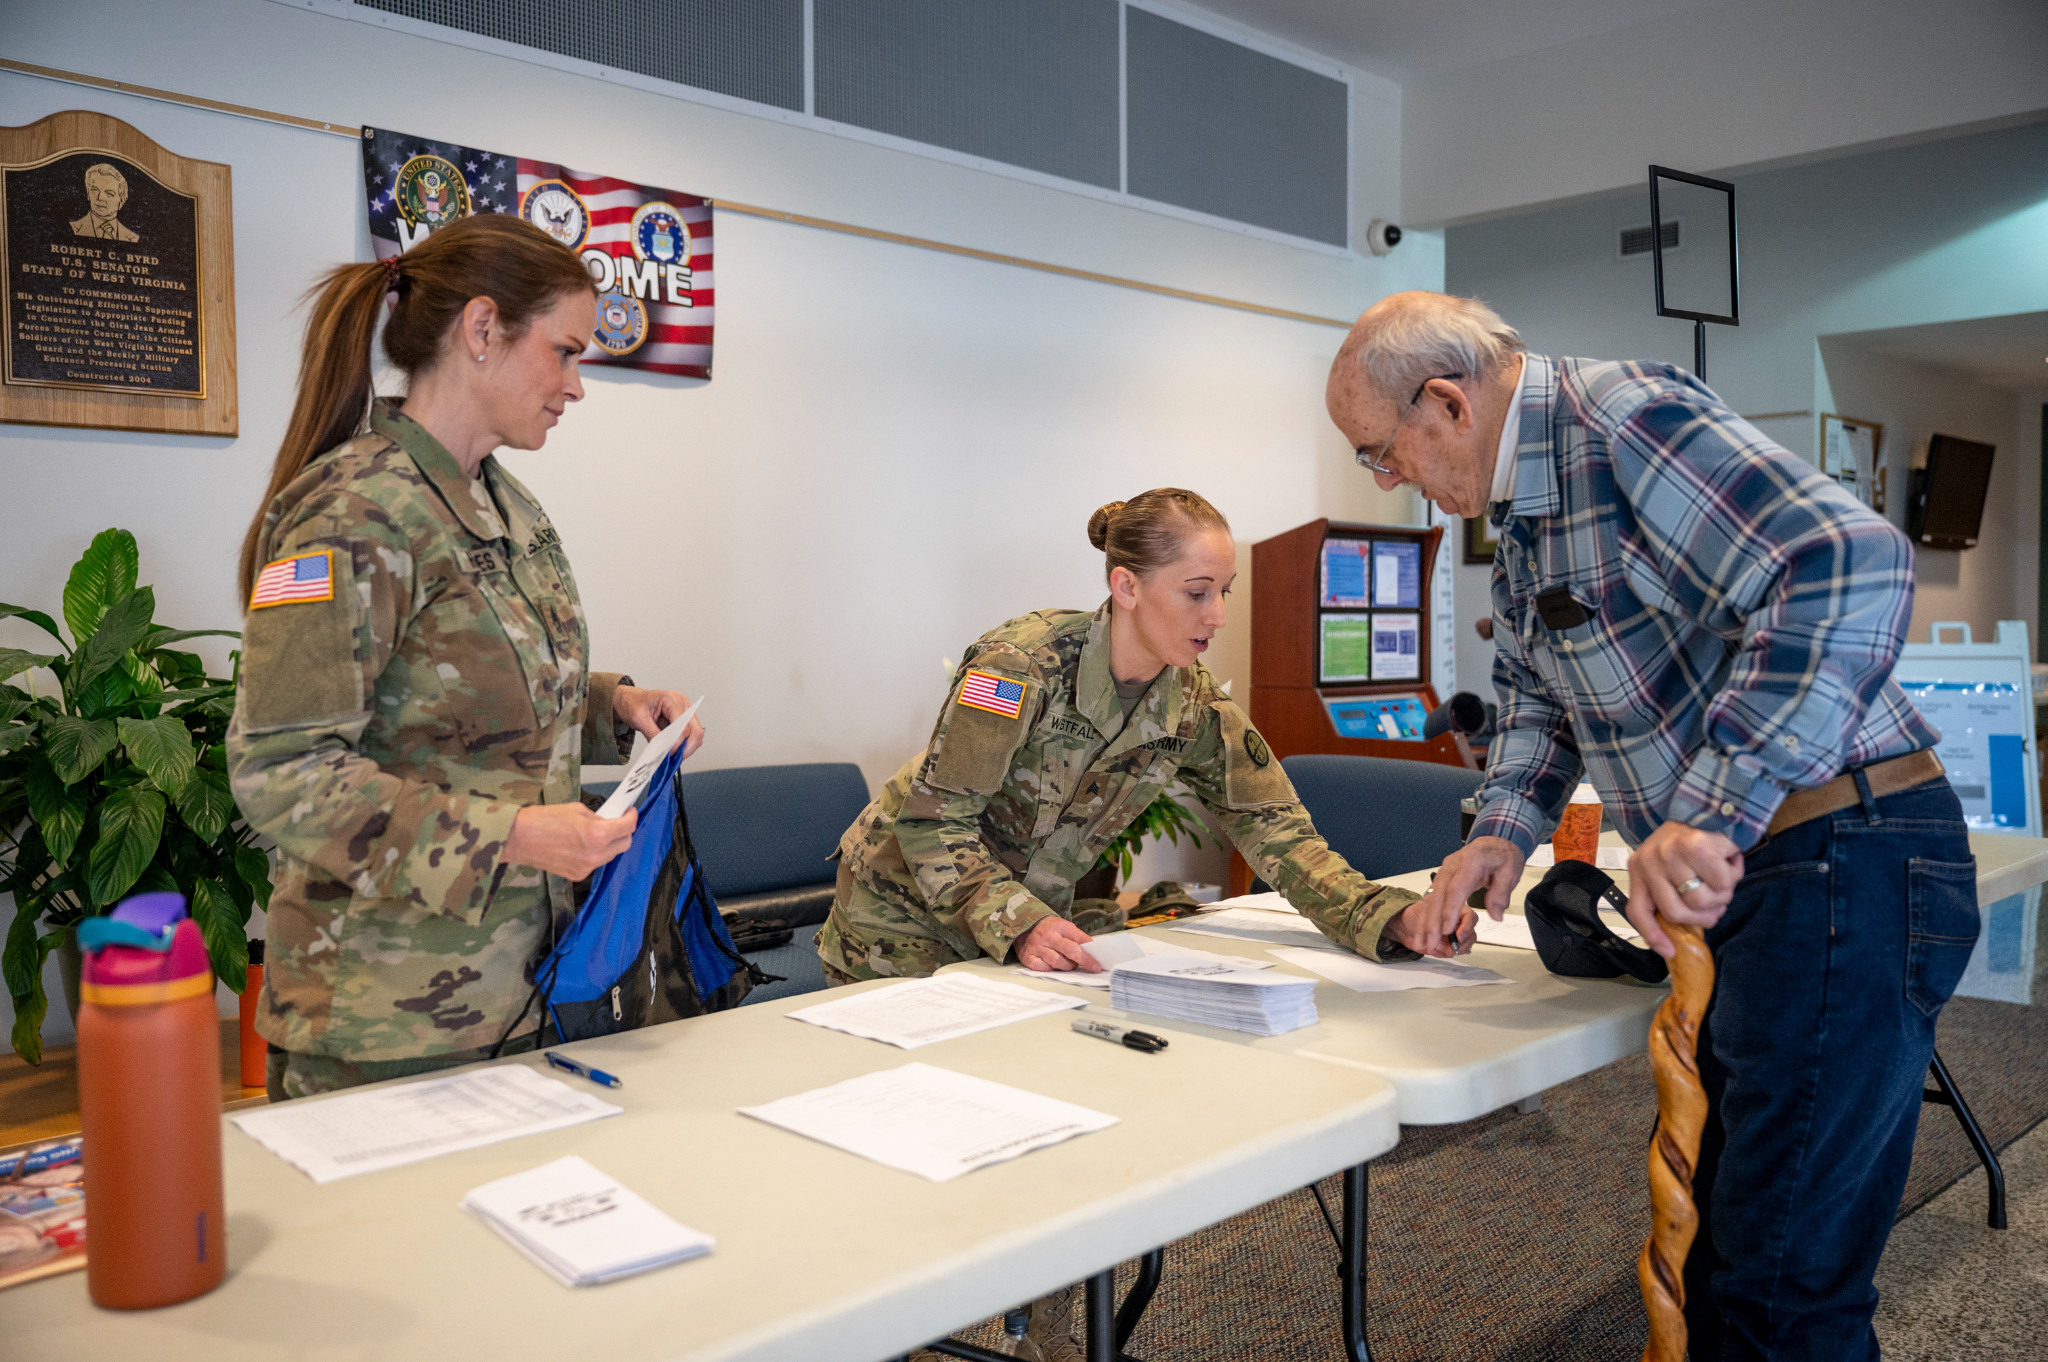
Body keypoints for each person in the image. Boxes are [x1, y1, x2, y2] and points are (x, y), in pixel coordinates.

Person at [1328, 291, 1975, 1361]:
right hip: (1765, 878)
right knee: (1729, 1251)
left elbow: (1846, 562)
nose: (1386, 480)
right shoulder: (1526, 510)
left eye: (1376, 452)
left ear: (1443, 402)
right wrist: (1499, 829)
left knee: (1779, 1290)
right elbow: (1539, 694)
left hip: (1836, 856)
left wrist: (1714, 808)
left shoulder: (1619, 420)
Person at [819, 486, 1466, 1360]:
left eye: (1225, 591)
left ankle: (1046, 1343)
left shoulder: (1190, 701)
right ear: (1126, 587)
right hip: (899, 925)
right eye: (1197, 592)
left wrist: (1385, 921)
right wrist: (1011, 921)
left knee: (1046, 1138)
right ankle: (868, 1332)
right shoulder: (1015, 668)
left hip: (1030, 939)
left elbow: (1274, 828)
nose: (1218, 614)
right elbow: (933, 822)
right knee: (904, 1156)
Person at [227, 215, 702, 1101]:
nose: (576, 385)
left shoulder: (506, 503)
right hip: (384, 1017)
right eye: (563, 352)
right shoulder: (351, 514)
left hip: (524, 990)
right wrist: (518, 835)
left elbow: (463, 691)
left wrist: (616, 707)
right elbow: (280, 771)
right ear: (482, 330)